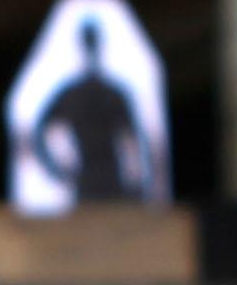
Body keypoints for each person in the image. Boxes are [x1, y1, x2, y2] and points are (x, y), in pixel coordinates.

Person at [27, 19, 159, 208]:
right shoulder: (80, 94)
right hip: (88, 180)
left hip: (111, 179)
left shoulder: (111, 93)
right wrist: (55, 169)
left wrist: (143, 180)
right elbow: (38, 131)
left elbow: (137, 138)